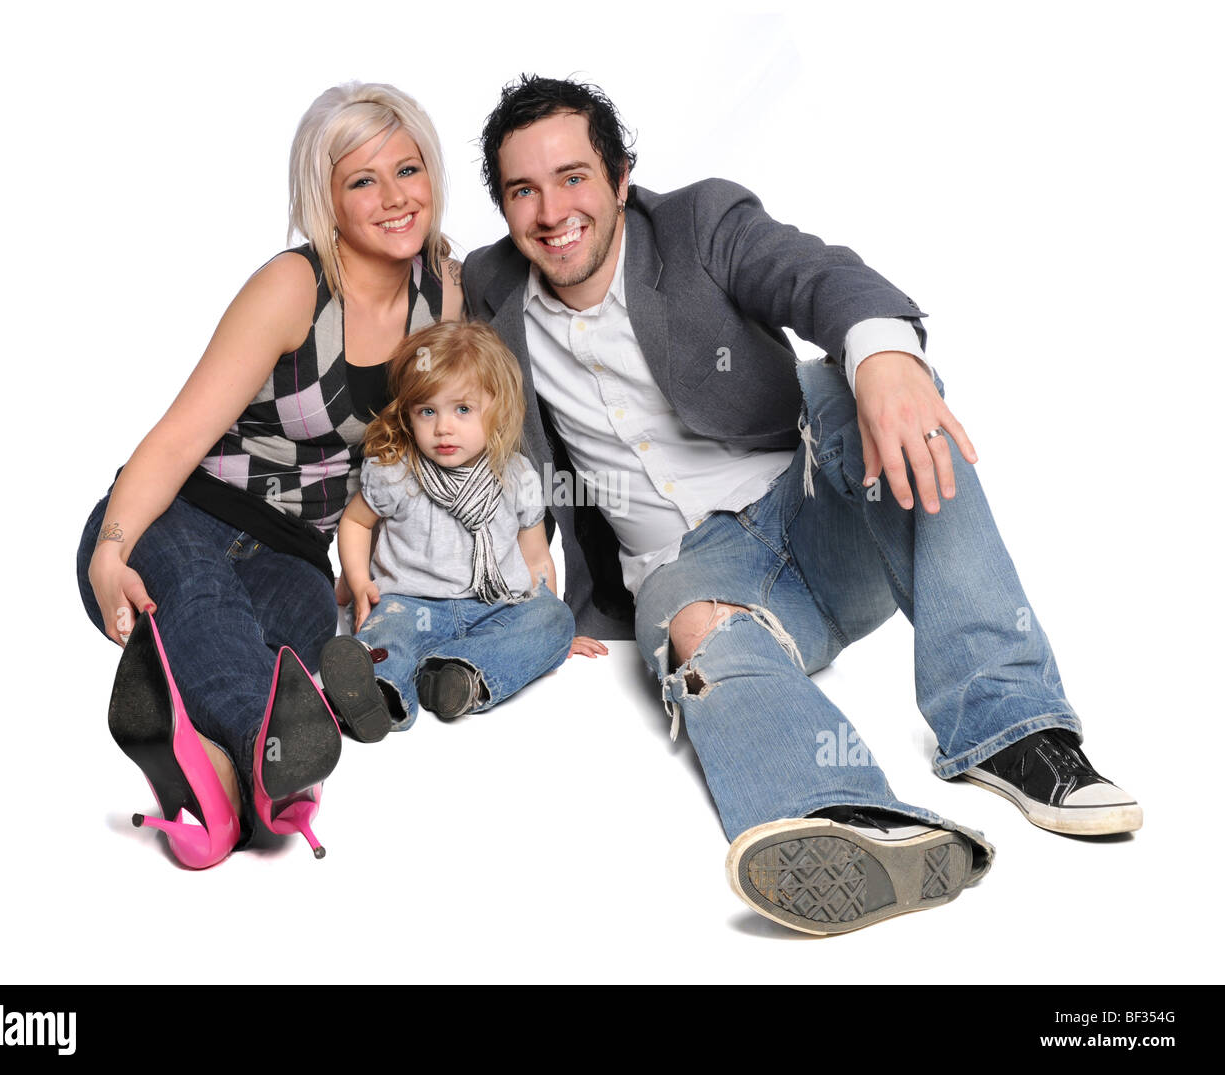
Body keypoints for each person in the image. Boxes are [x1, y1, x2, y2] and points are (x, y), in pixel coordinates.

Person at [462, 75, 1141, 935]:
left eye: (572, 177)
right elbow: (409, 336)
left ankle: (1010, 726)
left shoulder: (699, 224)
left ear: (620, 176)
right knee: (695, 625)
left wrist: (886, 358)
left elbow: (816, 275)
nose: (552, 209)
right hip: (694, 577)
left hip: (819, 511)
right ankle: (850, 816)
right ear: (503, 207)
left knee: (857, 386)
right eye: (523, 190)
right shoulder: (488, 289)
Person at [76, 80, 462, 867]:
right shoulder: (293, 285)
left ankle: (215, 792)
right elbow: (181, 435)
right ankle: (281, 774)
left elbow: (421, 450)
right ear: (326, 198)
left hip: (295, 555)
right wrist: (113, 549)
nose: (394, 198)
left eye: (408, 170)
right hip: (178, 516)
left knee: (292, 640)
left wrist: (378, 572)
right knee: (206, 612)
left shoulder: (442, 295)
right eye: (363, 180)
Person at [318, 320, 602, 737]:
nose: (443, 427)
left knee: (556, 620)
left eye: (463, 410)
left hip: (495, 605)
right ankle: (377, 692)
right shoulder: (398, 470)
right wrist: (359, 581)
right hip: (411, 604)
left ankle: (458, 675)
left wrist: (545, 634)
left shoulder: (516, 476)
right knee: (386, 636)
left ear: (497, 409)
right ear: (408, 413)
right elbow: (357, 522)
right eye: (427, 411)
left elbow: (537, 556)